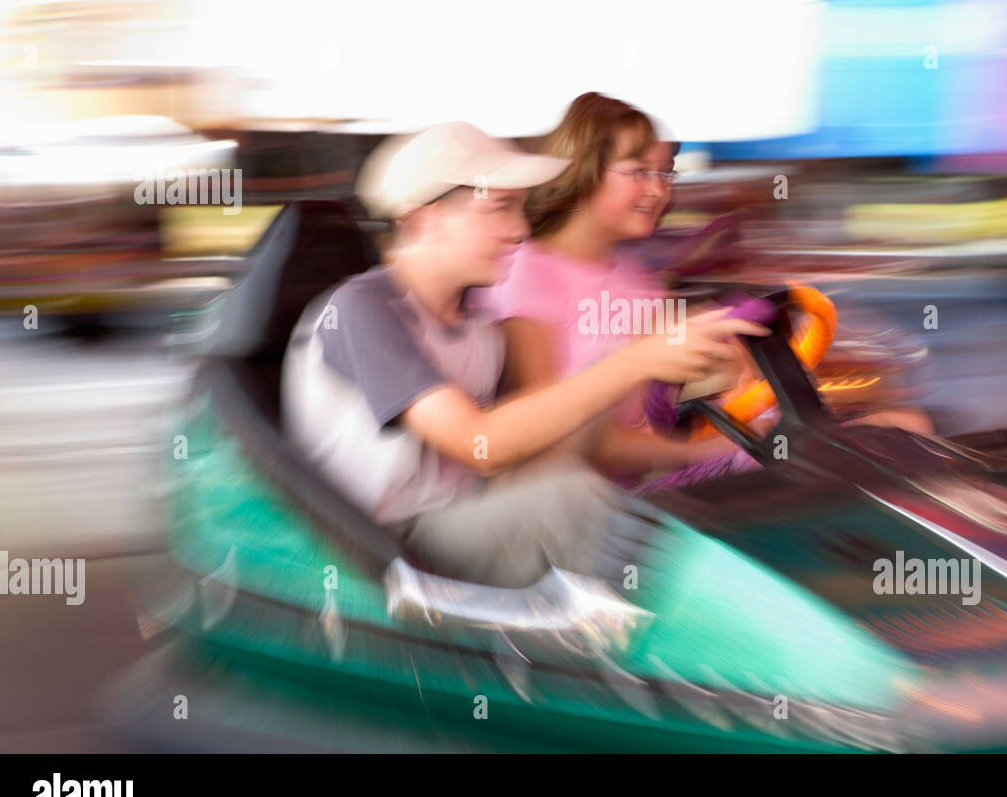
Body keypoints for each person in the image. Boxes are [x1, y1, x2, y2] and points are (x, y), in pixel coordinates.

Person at [281, 122, 765, 589]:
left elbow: (558, 429)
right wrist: (632, 364)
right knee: (568, 500)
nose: (519, 230)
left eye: (519, 209)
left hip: (471, 511)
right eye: (499, 209)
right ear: (423, 220)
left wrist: (713, 442)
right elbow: (479, 445)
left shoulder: (478, 327)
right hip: (389, 544)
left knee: (583, 445)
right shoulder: (358, 310)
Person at [487, 93, 738, 481]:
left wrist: (736, 366)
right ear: (584, 171)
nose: (658, 191)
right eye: (639, 172)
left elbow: (659, 402)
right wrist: (706, 452)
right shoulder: (525, 272)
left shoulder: (636, 278)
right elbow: (551, 442)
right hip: (572, 498)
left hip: (643, 485)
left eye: (665, 173)